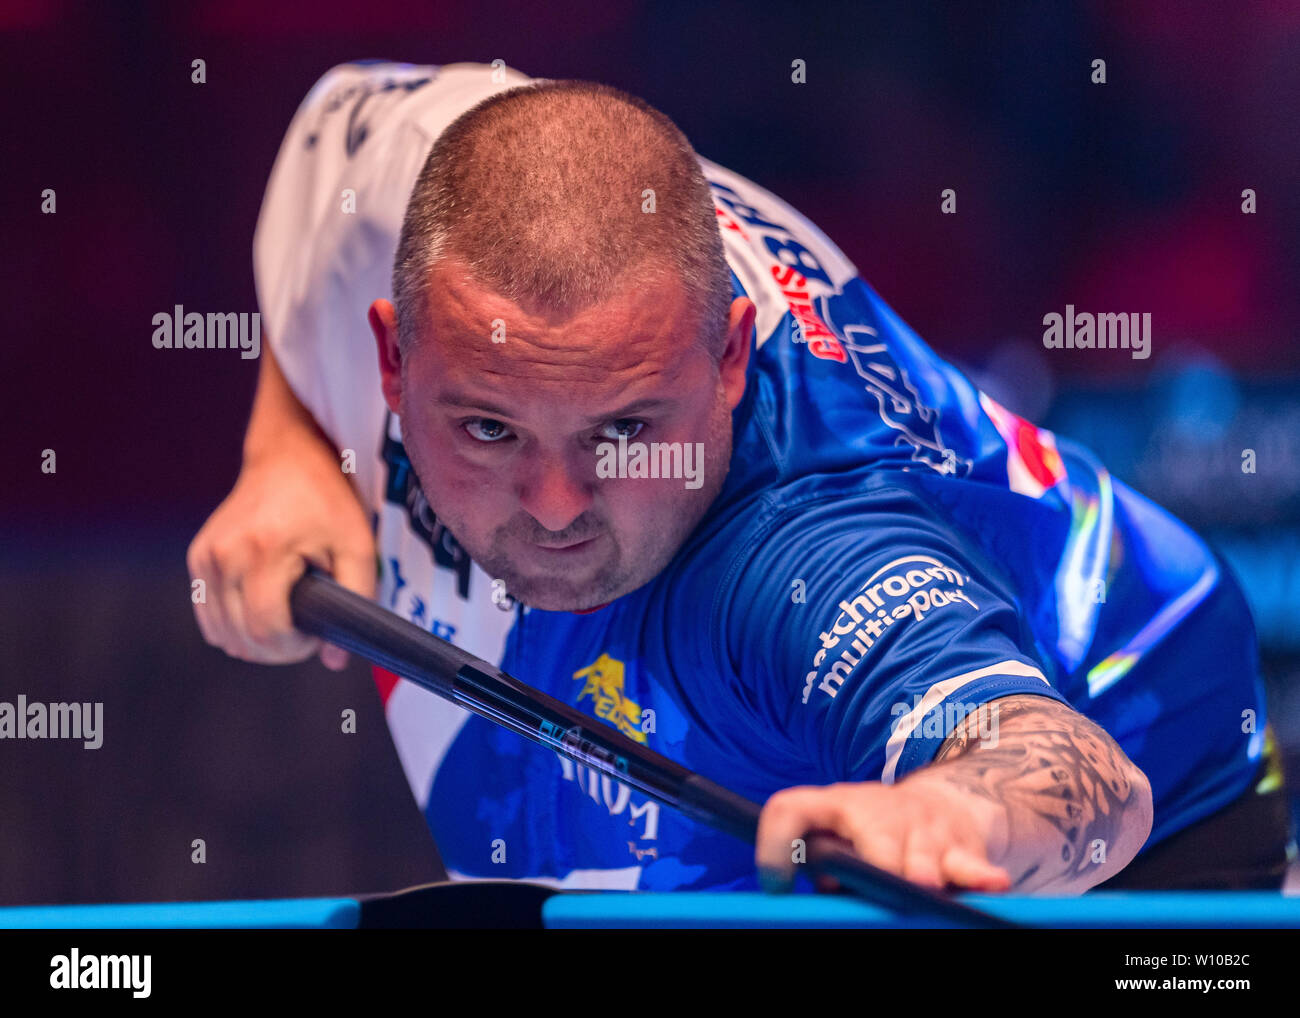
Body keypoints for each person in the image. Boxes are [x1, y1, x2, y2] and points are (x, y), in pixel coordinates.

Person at [188, 60, 1293, 894]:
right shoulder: (418, 155)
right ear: (392, 357)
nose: (558, 505)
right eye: (487, 427)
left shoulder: (803, 558)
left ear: (727, 358)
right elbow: (325, 145)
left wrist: (955, 817)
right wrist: (284, 450)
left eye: (625, 429)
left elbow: (1074, 769)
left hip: (1134, 844)